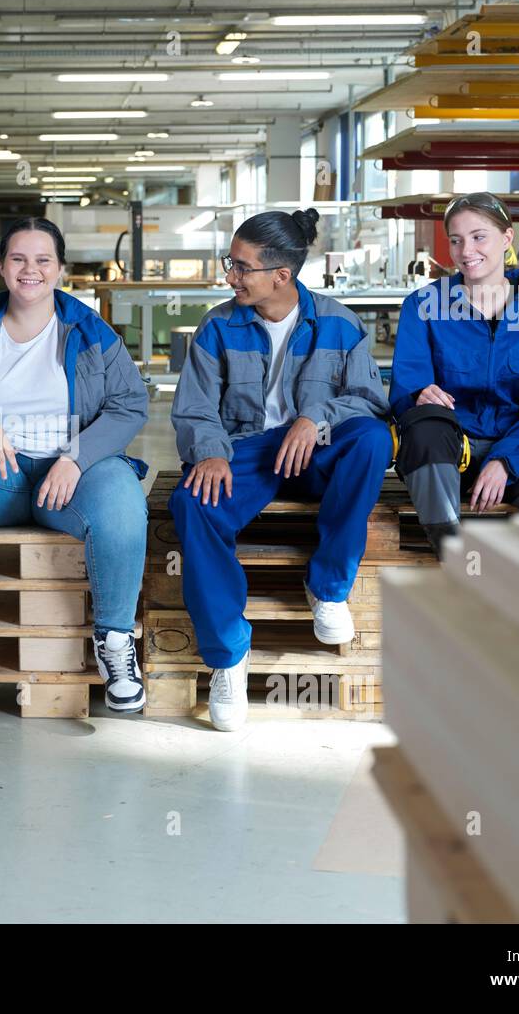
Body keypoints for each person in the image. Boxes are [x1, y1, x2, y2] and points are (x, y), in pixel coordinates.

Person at [0, 217, 150, 713]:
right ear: (1, 267)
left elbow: (129, 403)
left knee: (123, 500)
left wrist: (76, 458)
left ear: (60, 269)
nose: (30, 270)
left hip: (70, 481)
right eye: (18, 258)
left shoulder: (91, 331)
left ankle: (115, 641)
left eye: (43, 260)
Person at [169, 208, 393, 731]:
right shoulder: (218, 326)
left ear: (281, 276)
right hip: (247, 451)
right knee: (191, 502)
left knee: (372, 441)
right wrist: (210, 450)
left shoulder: (340, 323)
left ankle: (329, 586)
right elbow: (195, 407)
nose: (230, 277)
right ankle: (228, 655)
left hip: (315, 449)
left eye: (241, 267)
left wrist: (315, 418)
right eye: (231, 263)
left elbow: (367, 399)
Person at [389, 192, 519, 555]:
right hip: (447, 449)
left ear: (506, 239)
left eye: (478, 237)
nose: (465, 250)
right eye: (455, 240)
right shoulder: (423, 307)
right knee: (425, 427)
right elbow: (404, 387)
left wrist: (505, 461)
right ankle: (452, 551)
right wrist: (418, 394)